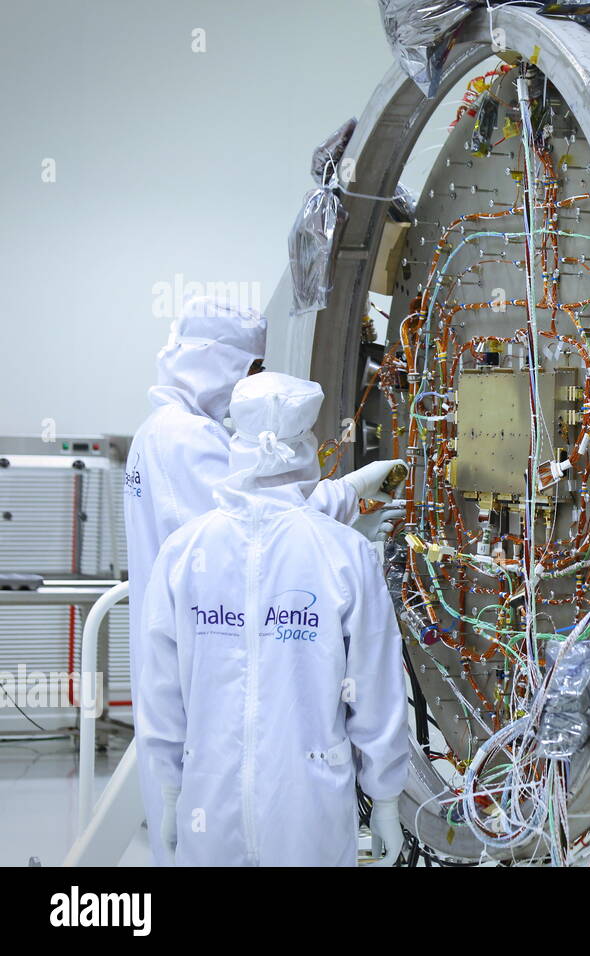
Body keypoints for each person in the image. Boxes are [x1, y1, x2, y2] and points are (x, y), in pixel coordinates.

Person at [124, 296, 400, 863]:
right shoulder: (342, 555)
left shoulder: (171, 483)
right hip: (299, 790)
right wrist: (348, 493)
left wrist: (171, 786)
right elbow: (375, 686)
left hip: (207, 758)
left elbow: (257, 509)